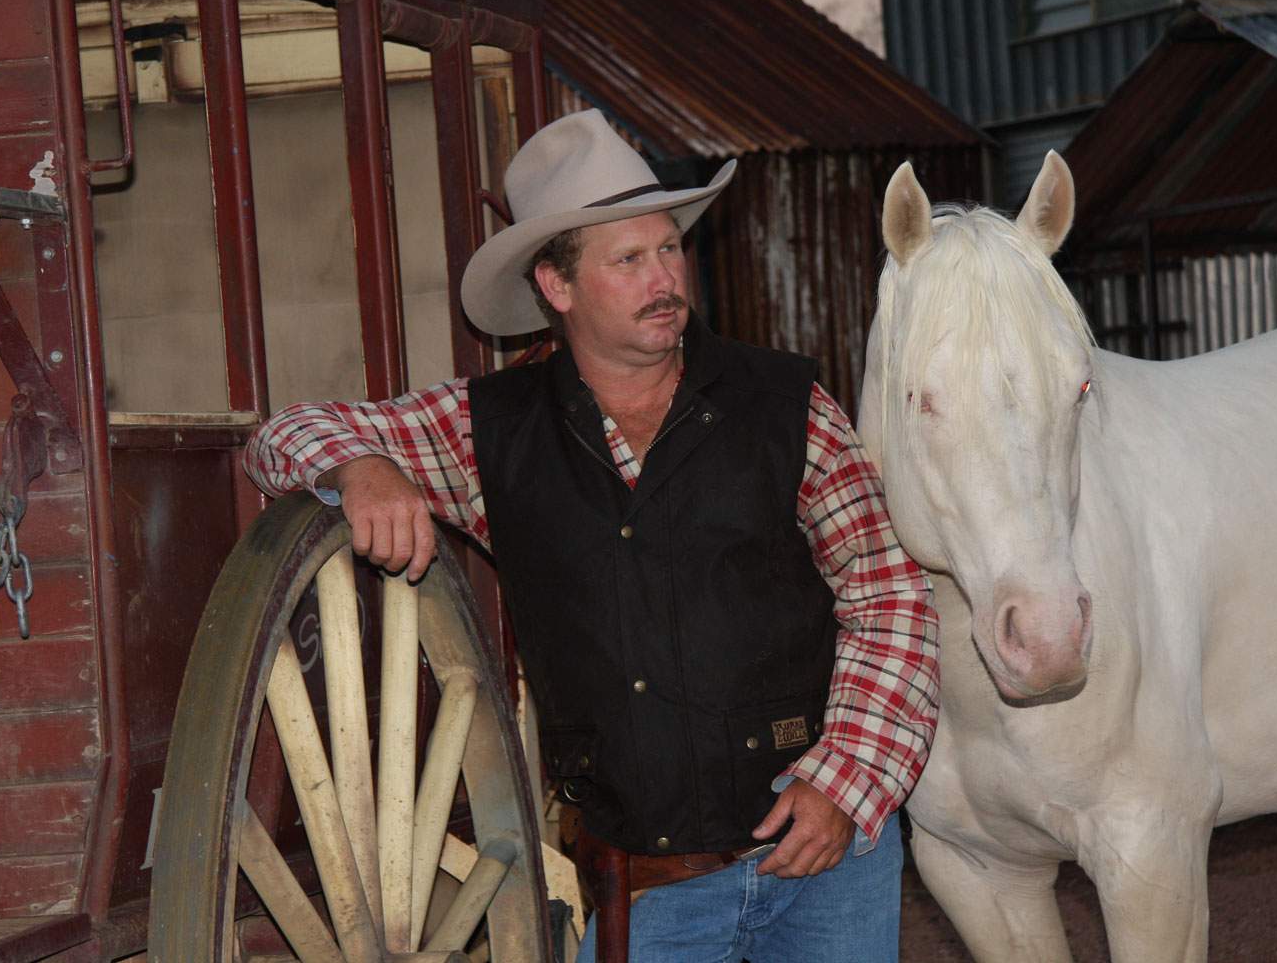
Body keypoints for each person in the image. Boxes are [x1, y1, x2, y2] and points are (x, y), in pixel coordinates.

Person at [244, 109, 940, 962]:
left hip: (829, 866)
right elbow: (283, 434)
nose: (665, 278)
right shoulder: (489, 428)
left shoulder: (786, 406)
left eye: (669, 248)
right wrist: (359, 466)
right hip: (647, 896)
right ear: (556, 287)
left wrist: (845, 784)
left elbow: (890, 597)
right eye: (629, 260)